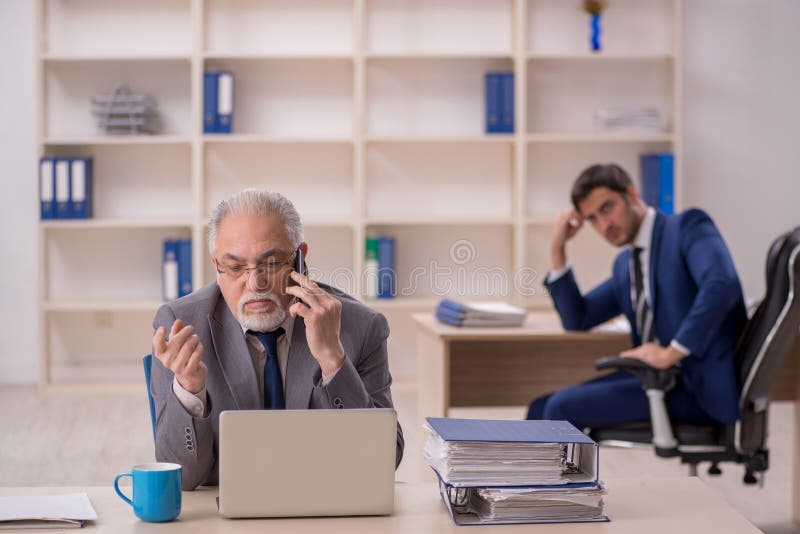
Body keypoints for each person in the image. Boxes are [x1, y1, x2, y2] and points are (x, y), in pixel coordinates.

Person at [150, 189, 404, 490]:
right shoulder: (182, 326)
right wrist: (190, 390)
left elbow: (382, 461)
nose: (255, 283)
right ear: (216, 265)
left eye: (271, 263)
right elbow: (181, 478)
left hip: (326, 503)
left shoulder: (360, 327)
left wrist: (333, 360)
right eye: (235, 267)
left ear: (300, 258)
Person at [526, 164, 747, 430]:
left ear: (632, 194)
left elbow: (722, 283)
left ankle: (570, 473)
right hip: (653, 380)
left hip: (694, 387)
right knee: (539, 409)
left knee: (560, 408)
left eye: (607, 208)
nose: (604, 225)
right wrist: (557, 249)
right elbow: (578, 318)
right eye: (592, 219)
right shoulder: (626, 265)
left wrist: (671, 352)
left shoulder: (686, 227)